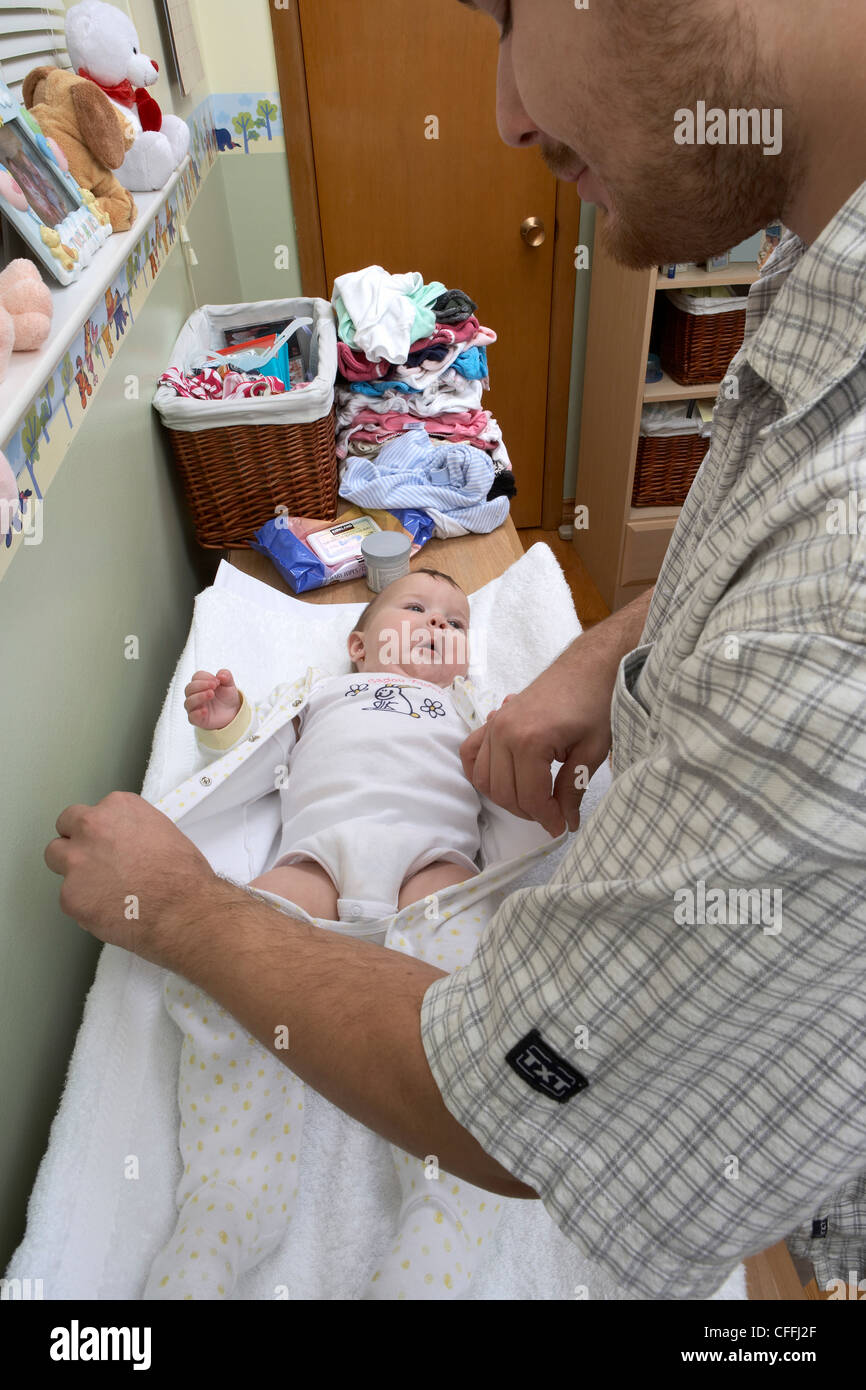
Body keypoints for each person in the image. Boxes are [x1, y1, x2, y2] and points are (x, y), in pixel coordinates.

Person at [46, 0, 866, 1298]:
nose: (503, 115)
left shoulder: (831, 612)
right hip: (321, 853)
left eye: (501, 10)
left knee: (441, 935)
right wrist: (616, 652)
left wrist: (185, 905)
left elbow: (515, 1089)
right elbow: (253, 739)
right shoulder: (821, 302)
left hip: (453, 914)